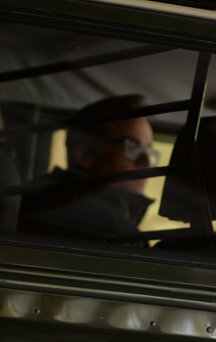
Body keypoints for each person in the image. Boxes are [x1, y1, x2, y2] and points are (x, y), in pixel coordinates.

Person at [18, 94, 161, 241]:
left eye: (149, 151)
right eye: (133, 147)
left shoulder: (42, 197)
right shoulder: (111, 230)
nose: (146, 161)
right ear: (86, 155)